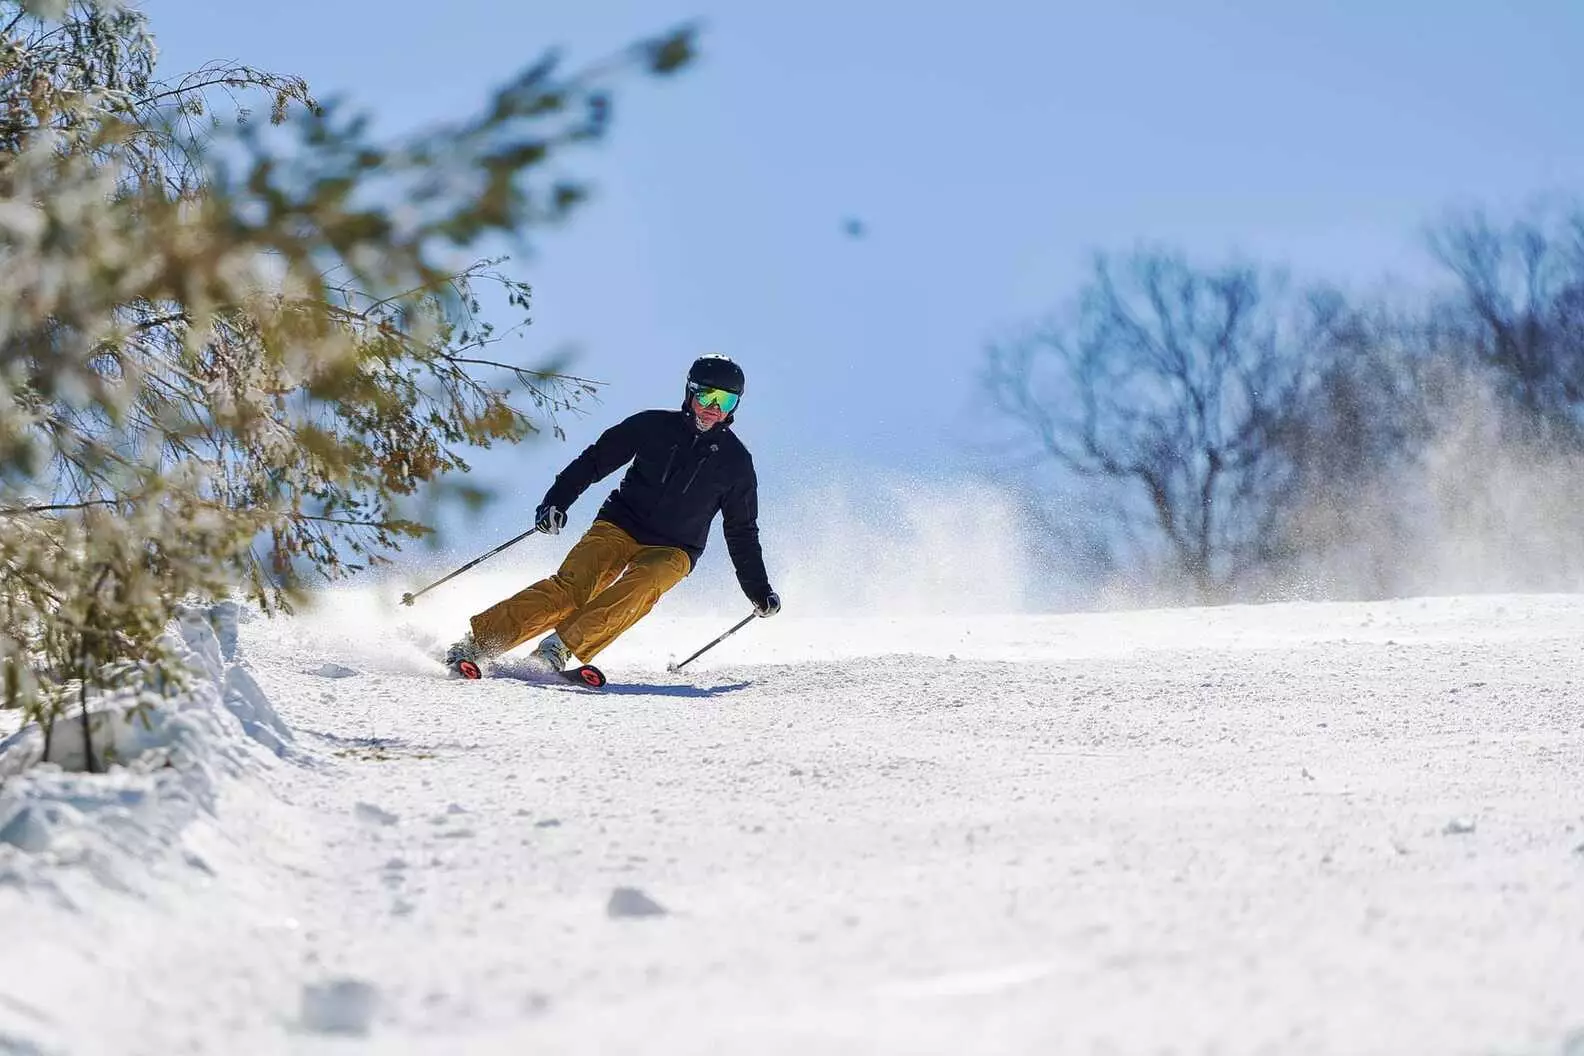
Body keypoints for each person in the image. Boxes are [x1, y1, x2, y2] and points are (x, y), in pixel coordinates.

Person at [445, 354, 780, 678]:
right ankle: (477, 645)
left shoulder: (736, 464)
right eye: (707, 395)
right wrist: (556, 501)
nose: (713, 408)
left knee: (644, 584)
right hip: (619, 525)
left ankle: (557, 650)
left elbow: (742, 531)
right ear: (690, 392)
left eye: (726, 401)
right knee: (571, 589)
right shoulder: (652, 426)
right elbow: (595, 461)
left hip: (675, 549)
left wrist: (758, 590)